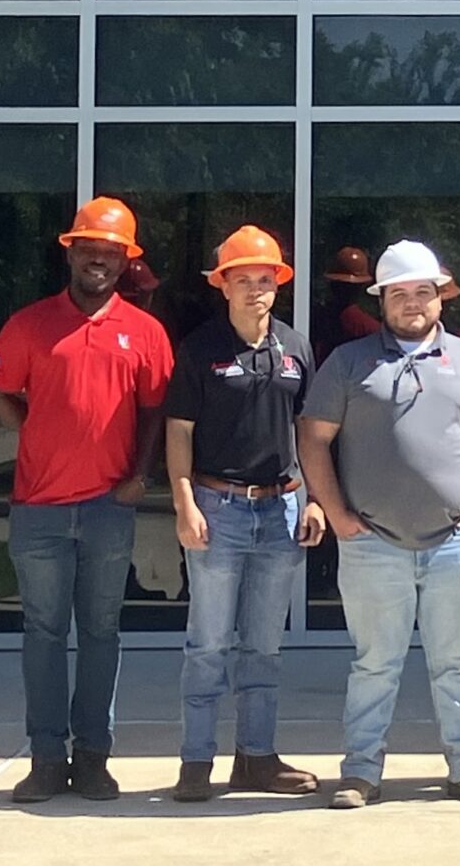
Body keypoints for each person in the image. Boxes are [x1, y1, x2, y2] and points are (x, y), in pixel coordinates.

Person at [298, 239, 460, 810]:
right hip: (372, 543)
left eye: (424, 291)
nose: (413, 303)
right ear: (382, 300)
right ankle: (360, 772)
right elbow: (313, 439)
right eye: (400, 293)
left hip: (456, 541)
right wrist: (338, 512)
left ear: (440, 297)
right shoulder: (348, 363)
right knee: (375, 665)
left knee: (458, 664)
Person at [0, 195, 173, 803]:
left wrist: (141, 475)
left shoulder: (144, 332)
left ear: (124, 260)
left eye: (111, 251)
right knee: (41, 633)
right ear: (71, 251)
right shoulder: (30, 323)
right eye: (89, 247)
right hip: (38, 506)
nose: (99, 259)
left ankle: (92, 757)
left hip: (108, 509)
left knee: (101, 632)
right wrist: (33, 426)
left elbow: (156, 413)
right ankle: (44, 756)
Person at [165, 226, 326, 803]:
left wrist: (313, 498)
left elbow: (308, 432)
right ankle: (195, 761)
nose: (256, 290)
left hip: (280, 507)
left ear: (277, 287)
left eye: (266, 280)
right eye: (244, 280)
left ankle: (256, 758)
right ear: (223, 286)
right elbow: (178, 432)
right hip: (217, 507)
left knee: (263, 646)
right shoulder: (200, 348)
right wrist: (184, 503)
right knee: (207, 644)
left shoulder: (295, 347)